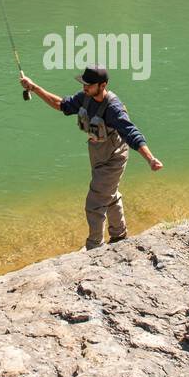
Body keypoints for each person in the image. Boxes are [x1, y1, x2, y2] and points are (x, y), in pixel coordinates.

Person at [20, 65, 162, 250]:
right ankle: (119, 235)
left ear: (102, 85)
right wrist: (34, 87)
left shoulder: (113, 108)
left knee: (94, 202)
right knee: (108, 194)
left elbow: (132, 133)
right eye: (84, 84)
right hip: (97, 153)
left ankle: (95, 248)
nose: (84, 87)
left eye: (89, 84)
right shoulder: (85, 97)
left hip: (114, 157)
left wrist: (150, 159)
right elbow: (60, 105)